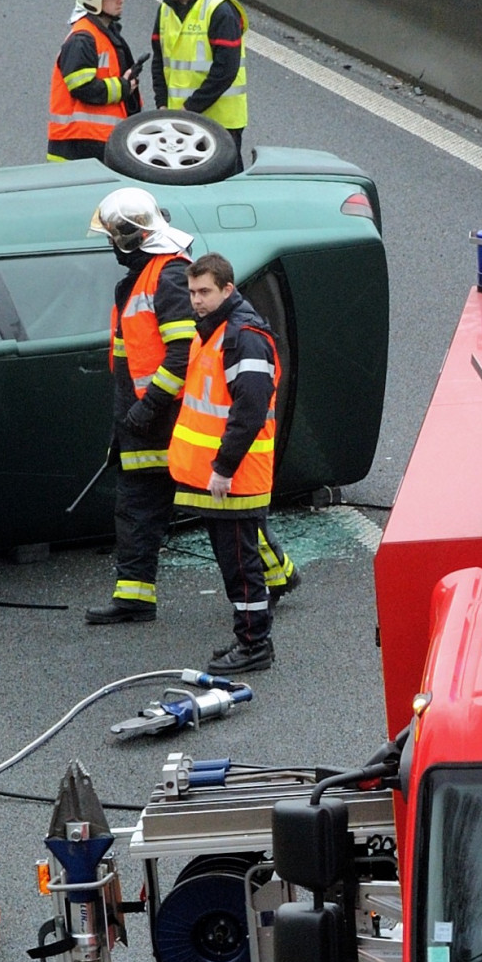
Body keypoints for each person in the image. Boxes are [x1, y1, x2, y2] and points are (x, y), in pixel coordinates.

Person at [168, 254, 294, 675]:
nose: (196, 301)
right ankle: (249, 639)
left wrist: (223, 466)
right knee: (237, 565)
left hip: (236, 476)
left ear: (227, 289)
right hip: (227, 475)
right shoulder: (221, 330)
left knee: (242, 568)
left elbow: (250, 409)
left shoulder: (243, 335)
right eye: (192, 293)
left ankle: (256, 645)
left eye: (204, 292)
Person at [83, 188, 196, 626]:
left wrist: (149, 407)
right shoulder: (141, 276)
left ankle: (274, 574)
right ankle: (134, 596)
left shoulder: (166, 276)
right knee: (135, 508)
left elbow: (182, 353)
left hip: (172, 421)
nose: (110, 244)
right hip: (144, 422)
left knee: (223, 509)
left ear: (129, 238)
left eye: (113, 236)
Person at [151, 0, 249, 167]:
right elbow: (159, 62)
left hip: (220, 122)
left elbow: (226, 70)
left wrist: (190, 108)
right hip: (180, 121)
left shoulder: (219, 8)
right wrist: (161, 104)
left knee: (224, 186)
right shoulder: (165, 10)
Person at [49, 0, 140, 164]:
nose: (120, 0)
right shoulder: (83, 39)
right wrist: (123, 86)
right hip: (77, 145)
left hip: (95, 141)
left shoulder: (102, 35)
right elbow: (81, 87)